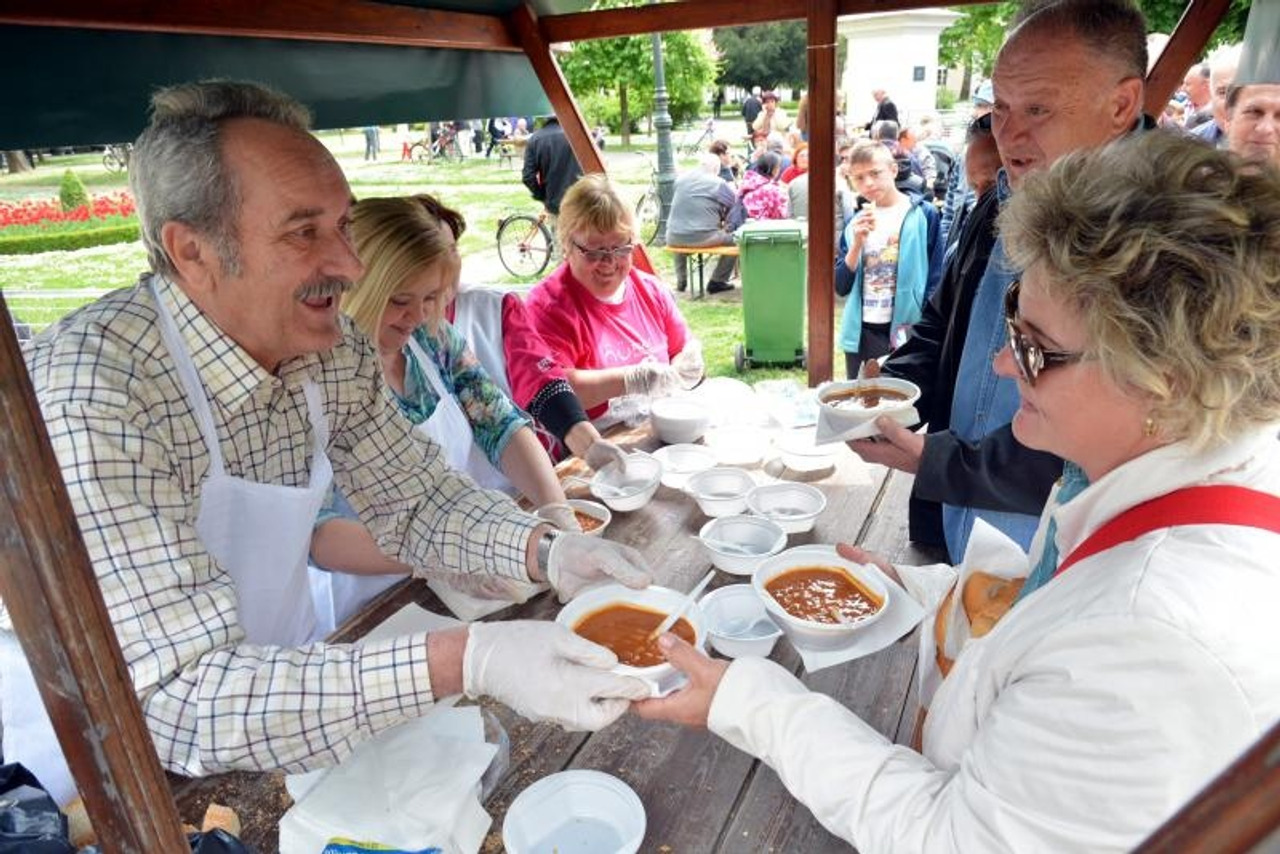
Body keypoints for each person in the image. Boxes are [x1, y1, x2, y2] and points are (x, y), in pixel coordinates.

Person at [2, 81, 652, 804]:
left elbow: (421, 504)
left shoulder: (328, 344)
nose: (347, 264)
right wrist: (469, 658)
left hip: (301, 674)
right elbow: (181, 697)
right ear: (192, 252)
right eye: (304, 231)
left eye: (343, 226)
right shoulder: (100, 391)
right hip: (141, 762)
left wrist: (547, 548)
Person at [638, 130, 1280, 853]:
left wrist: (747, 699)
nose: (1005, 364)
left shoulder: (1149, 646)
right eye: (1013, 325)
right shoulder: (1159, 468)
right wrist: (929, 591)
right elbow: (1057, 590)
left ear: (1163, 378)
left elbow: (949, 836)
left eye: (1036, 348)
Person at [853, 0, 1150, 561]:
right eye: (1001, 108)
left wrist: (934, 461)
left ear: (1121, 102)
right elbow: (945, 319)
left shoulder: (1160, 237)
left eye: (1037, 108)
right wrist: (885, 393)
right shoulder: (1009, 192)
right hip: (965, 520)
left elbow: (1107, 439)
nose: (1009, 135)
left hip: (1069, 547)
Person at [308, 194, 587, 624]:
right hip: (366, 602)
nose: (417, 316)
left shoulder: (431, 342)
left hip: (457, 573)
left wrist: (557, 514)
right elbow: (319, 535)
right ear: (358, 286)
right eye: (400, 300)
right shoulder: (316, 378)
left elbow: (500, 423)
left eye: (431, 298)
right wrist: (439, 555)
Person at [525, 174, 703, 424]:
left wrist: (688, 361)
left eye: (621, 247)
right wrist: (629, 380)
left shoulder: (650, 290)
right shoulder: (547, 307)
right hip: (589, 447)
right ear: (567, 244)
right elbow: (551, 390)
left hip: (656, 431)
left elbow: (680, 348)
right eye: (595, 250)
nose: (609, 262)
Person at [835, 140, 943, 378]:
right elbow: (840, 286)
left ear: (893, 170)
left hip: (907, 327)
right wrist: (856, 245)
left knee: (900, 403)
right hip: (863, 330)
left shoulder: (923, 215)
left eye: (875, 173)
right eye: (859, 177)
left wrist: (922, 324)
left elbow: (936, 277)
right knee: (861, 398)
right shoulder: (854, 222)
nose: (868, 183)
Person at [666, 154, 739, 295]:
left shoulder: (680, 180)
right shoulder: (718, 183)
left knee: (681, 231)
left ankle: (681, 281)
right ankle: (717, 281)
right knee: (737, 240)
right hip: (704, 237)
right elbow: (735, 204)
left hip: (673, 237)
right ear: (716, 169)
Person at [522, 117, 582, 217]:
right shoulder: (578, 134)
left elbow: (528, 176)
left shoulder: (535, 139)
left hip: (554, 201)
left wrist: (542, 196)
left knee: (558, 231)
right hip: (580, 199)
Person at [1191, 43, 1240, 146]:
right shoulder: (1190, 146)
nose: (1235, 102)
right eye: (1224, 92)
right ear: (1211, 95)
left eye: (1246, 92)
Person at [732, 153, 789, 224]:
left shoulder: (747, 183)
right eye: (778, 167)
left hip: (744, 226)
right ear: (774, 169)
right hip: (764, 229)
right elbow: (781, 214)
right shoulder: (771, 189)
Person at [1181, 62, 1213, 127]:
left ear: (1206, 84)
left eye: (1188, 84)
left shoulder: (1218, 113)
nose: (1182, 88)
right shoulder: (1184, 106)